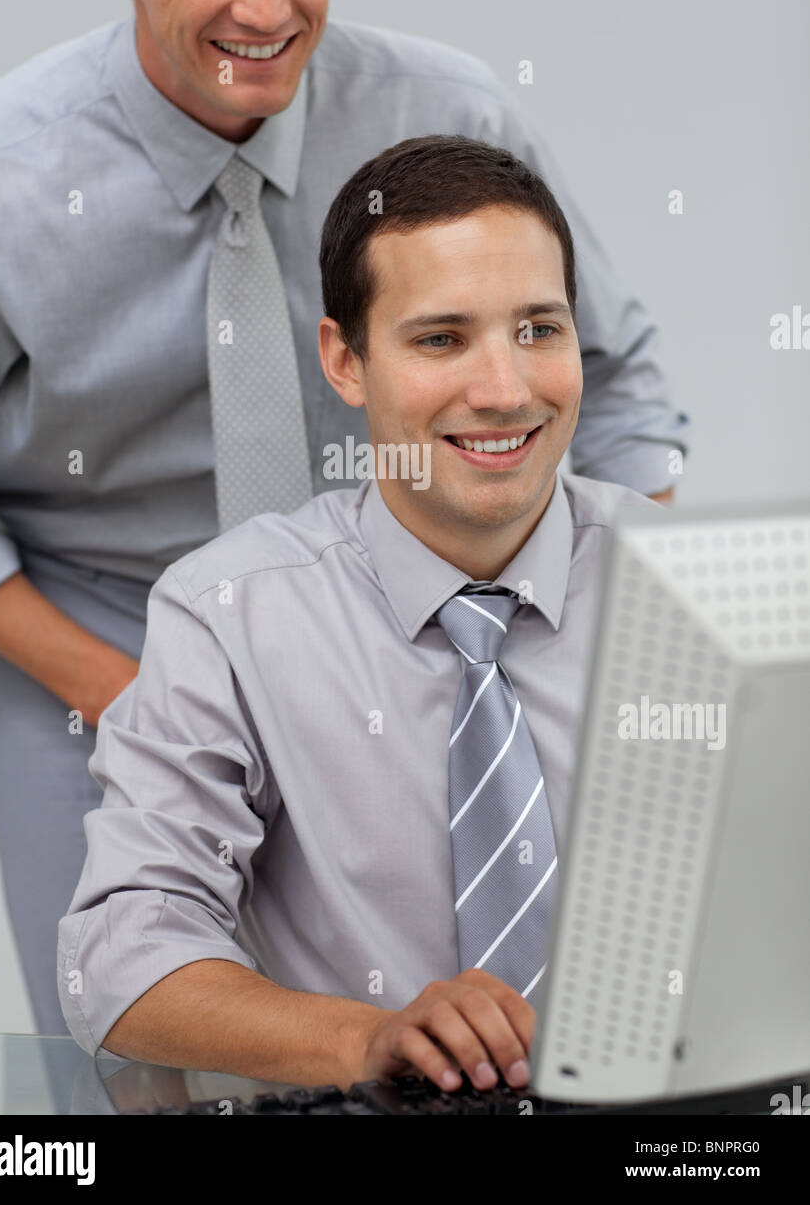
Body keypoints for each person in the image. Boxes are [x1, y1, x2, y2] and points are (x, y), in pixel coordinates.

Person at [0, 0, 686, 1036]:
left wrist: (607, 630)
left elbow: (615, 383)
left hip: (428, 616)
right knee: (132, 1034)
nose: (270, 10)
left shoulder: (448, 115)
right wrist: (141, 691)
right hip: (98, 630)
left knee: (481, 1029)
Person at [58, 136, 662, 1092]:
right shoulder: (230, 615)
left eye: (539, 330)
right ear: (346, 360)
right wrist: (370, 1043)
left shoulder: (685, 587)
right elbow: (121, 958)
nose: (505, 391)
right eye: (440, 339)